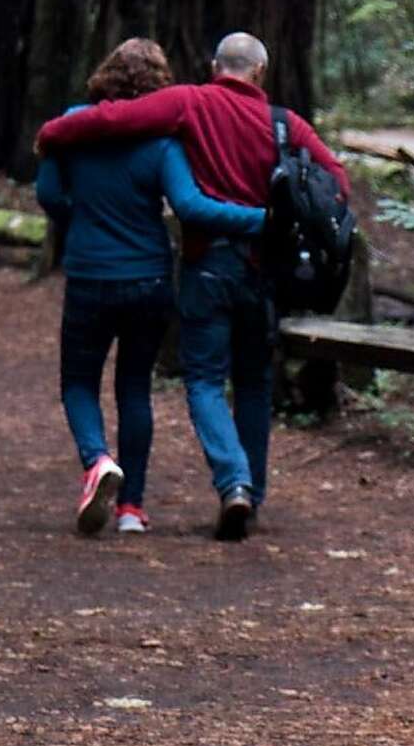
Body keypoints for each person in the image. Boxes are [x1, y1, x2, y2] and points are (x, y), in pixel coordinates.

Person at [33, 33, 349, 541]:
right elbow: (336, 180)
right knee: (249, 382)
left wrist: (53, 130)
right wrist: (276, 220)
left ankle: (230, 482)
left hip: (197, 267)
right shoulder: (286, 125)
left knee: (201, 379)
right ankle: (219, 495)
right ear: (261, 72)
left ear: (213, 64)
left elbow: (111, 122)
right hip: (250, 271)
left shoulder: (188, 104)